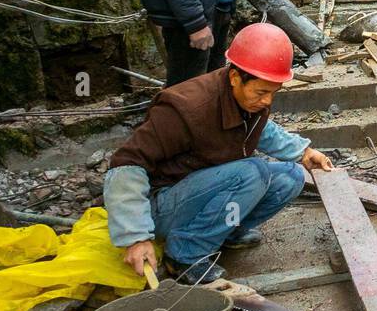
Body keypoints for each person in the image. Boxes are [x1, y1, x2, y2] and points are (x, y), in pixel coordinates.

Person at [105, 22, 335, 285]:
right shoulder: (185, 108)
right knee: (253, 172)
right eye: (262, 92)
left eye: (273, 93)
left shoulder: (246, 99)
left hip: (200, 190)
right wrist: (135, 236)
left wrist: (303, 152)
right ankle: (183, 255)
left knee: (291, 176)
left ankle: (224, 233)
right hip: (161, 206)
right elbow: (126, 164)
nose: (268, 102)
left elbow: (261, 129)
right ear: (236, 77)